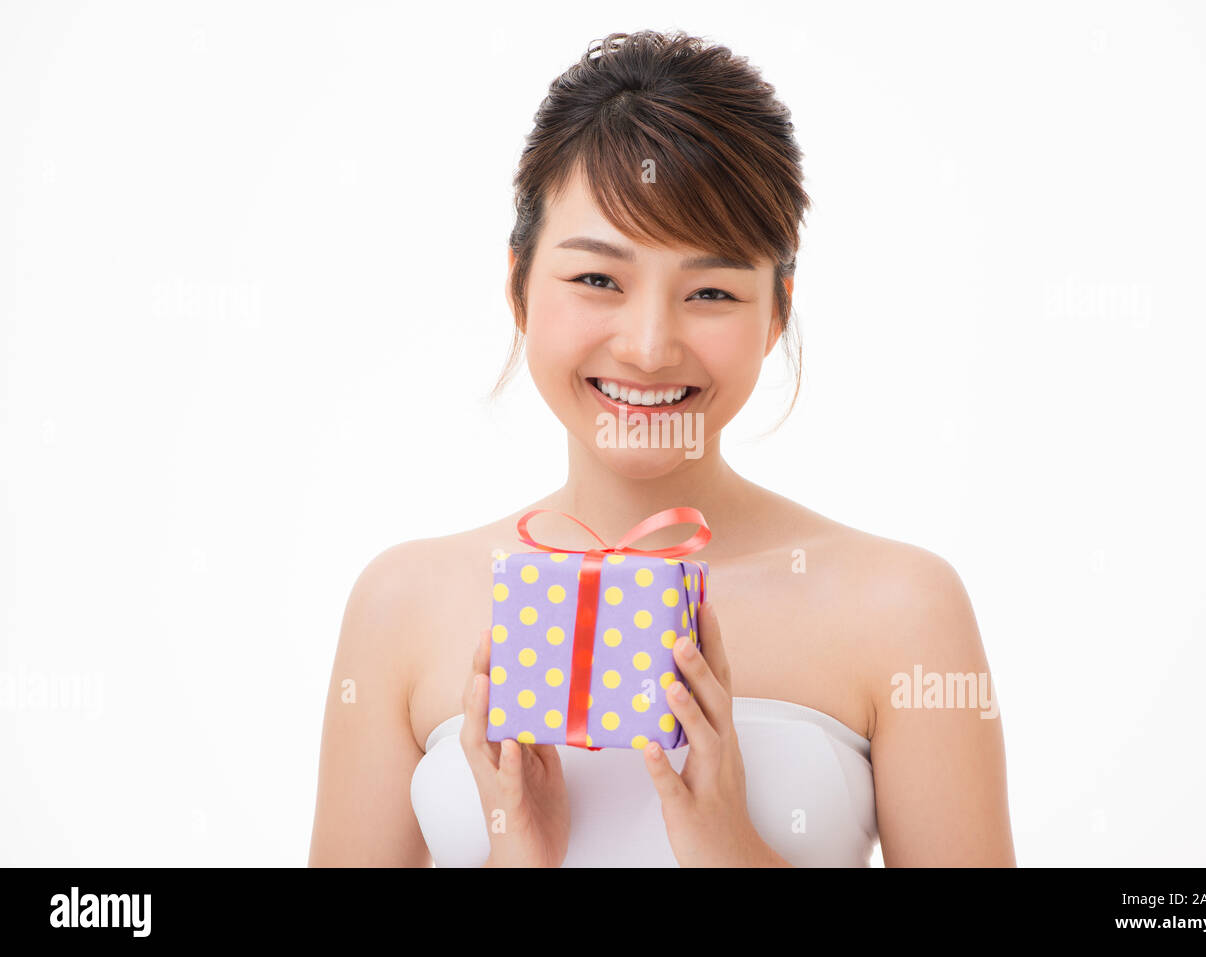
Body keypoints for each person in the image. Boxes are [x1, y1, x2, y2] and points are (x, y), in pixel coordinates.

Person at [308, 29, 1015, 867]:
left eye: (710, 290)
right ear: (518, 286)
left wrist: (727, 844)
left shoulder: (905, 609)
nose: (647, 346)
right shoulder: (401, 604)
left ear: (777, 313)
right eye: (598, 279)